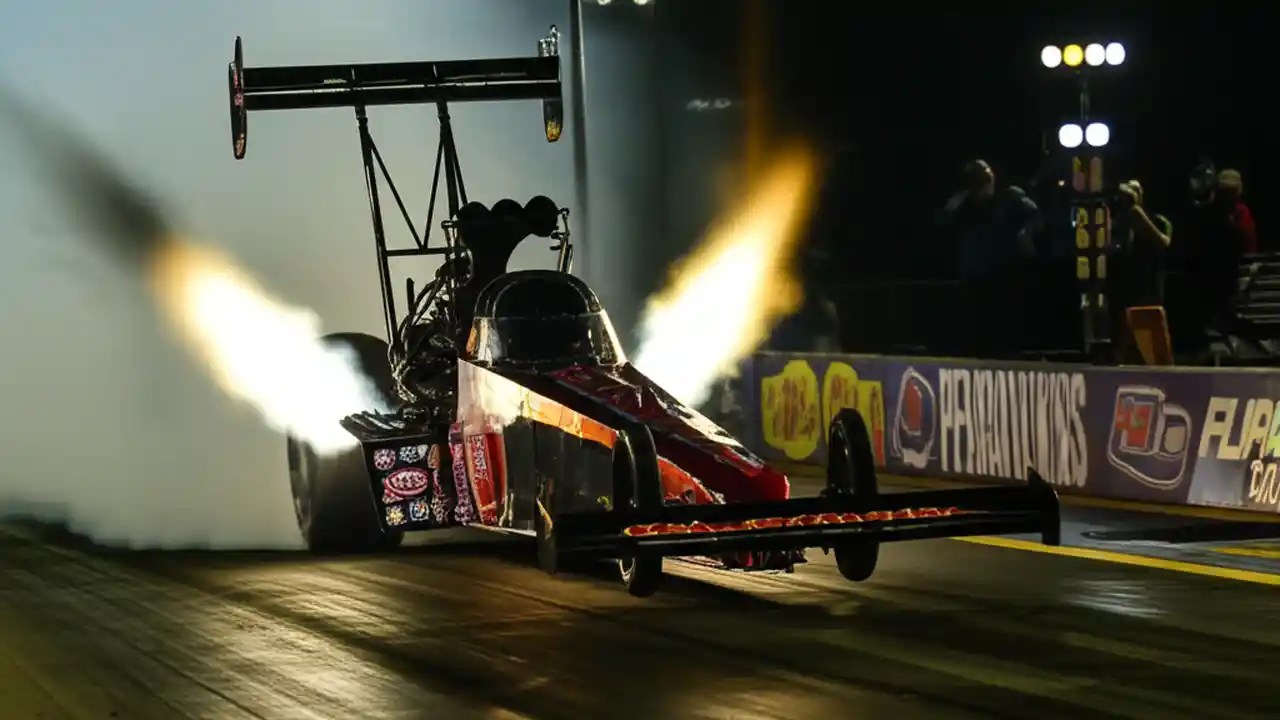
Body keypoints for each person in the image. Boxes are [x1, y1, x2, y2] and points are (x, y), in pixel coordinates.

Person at [937, 159, 1041, 357]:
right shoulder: (963, 204)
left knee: (1006, 318)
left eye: (984, 182)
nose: (982, 190)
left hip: (1005, 270)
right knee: (979, 318)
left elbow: (1035, 215)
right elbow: (942, 221)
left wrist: (1026, 234)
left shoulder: (1010, 197)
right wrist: (955, 204)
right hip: (976, 272)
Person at [1108, 179, 1173, 361]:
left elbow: (1164, 243)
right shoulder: (1116, 223)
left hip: (1148, 288)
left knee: (1150, 341)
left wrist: (1139, 217)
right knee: (1124, 342)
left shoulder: (1158, 221)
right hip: (1123, 291)